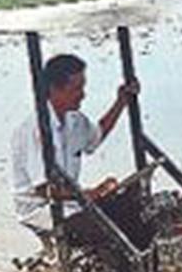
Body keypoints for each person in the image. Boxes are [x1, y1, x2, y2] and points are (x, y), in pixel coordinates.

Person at [10, 53, 138, 235]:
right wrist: (90, 193)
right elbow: (44, 189)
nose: (83, 95)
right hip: (40, 210)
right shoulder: (34, 130)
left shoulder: (75, 121)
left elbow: (96, 136)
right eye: (76, 89)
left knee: (129, 205)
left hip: (71, 202)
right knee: (109, 225)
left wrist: (121, 102)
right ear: (55, 89)